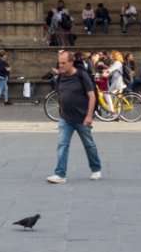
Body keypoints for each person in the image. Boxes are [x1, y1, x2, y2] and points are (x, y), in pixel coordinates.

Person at [46, 49, 102, 184]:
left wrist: (89, 116)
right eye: (60, 63)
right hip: (65, 118)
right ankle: (60, 174)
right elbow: (60, 93)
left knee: (89, 145)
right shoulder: (60, 77)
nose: (61, 66)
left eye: (64, 63)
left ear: (71, 62)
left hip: (82, 118)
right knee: (62, 144)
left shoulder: (82, 75)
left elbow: (92, 96)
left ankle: (96, 169)